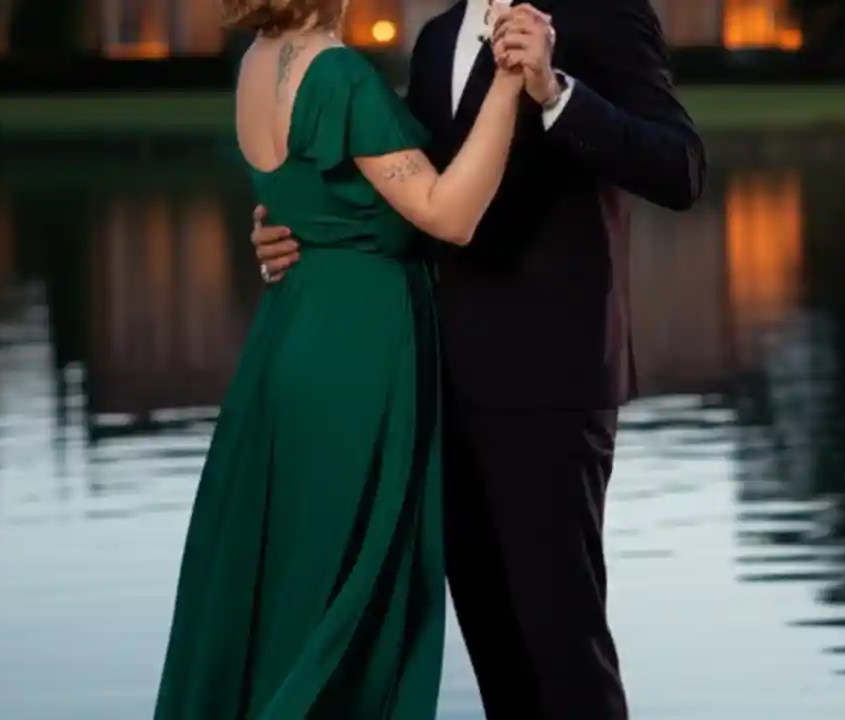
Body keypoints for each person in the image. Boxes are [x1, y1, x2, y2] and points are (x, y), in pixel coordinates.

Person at [252, 1, 707, 718]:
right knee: (496, 651)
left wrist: (554, 93)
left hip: (551, 382)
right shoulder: (438, 38)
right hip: (437, 380)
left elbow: (680, 169)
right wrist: (299, 234)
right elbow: (416, 191)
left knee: (564, 648)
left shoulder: (605, 13)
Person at [152, 0, 528, 717]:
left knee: (296, 578)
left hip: (291, 334)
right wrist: (508, 84)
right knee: (352, 588)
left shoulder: (256, 64)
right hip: (359, 347)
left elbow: (302, 199)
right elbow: (450, 215)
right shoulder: (339, 75)